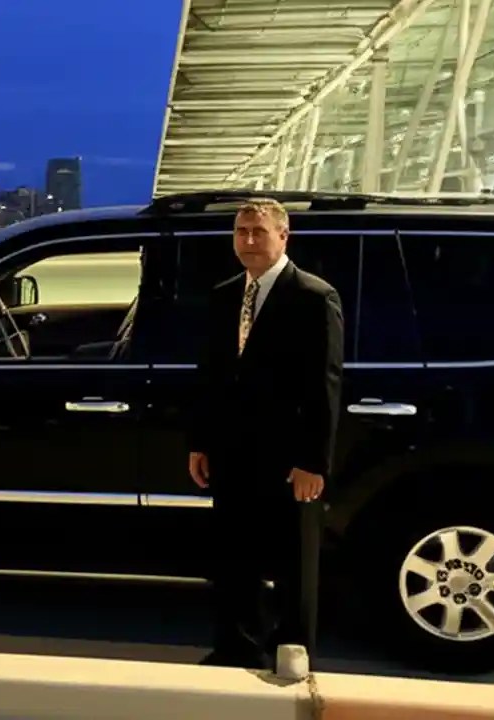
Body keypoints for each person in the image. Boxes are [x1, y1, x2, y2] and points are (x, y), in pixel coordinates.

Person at [186, 198, 344, 669]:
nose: (249, 241)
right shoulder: (224, 294)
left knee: (295, 564)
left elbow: (325, 384)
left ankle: (292, 653)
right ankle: (235, 647)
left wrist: (313, 461)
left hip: (288, 459)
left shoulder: (314, 297)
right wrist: (200, 441)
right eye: (241, 232)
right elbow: (212, 376)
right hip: (232, 453)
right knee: (233, 560)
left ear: (283, 236)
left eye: (258, 232)